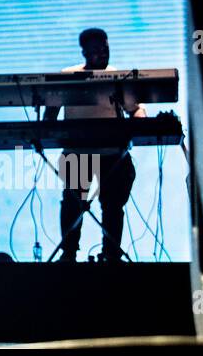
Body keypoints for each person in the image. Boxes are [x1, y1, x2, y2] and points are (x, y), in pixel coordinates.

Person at [43, 28, 145, 263]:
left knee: (112, 207)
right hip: (77, 152)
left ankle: (111, 255)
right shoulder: (68, 75)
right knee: (73, 203)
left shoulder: (117, 75)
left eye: (106, 48)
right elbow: (50, 113)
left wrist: (141, 121)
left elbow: (135, 108)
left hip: (112, 151)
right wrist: (46, 127)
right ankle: (68, 254)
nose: (103, 53)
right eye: (97, 50)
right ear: (85, 52)